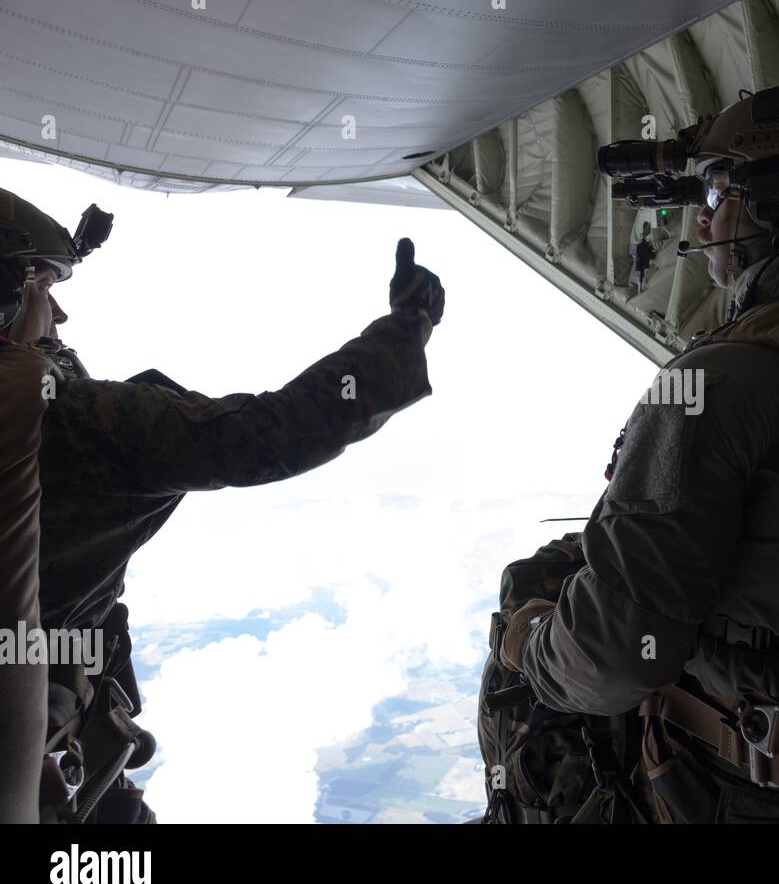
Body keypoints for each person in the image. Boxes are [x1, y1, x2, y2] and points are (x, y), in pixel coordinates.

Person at [497, 83, 779, 822]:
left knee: (528, 601)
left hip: (768, 788)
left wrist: (527, 644)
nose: (704, 214)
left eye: (720, 188)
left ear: (774, 203)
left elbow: (611, 657)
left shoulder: (716, 382)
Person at [0, 187, 445, 822]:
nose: (61, 314)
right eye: (44, 284)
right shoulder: (55, 421)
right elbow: (271, 432)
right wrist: (409, 327)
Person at [632, 222, 656, 293]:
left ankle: (640, 288)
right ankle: (640, 288)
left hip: (640, 264)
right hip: (641, 264)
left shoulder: (639, 245)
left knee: (640, 275)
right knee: (640, 275)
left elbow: (633, 253)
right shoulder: (645, 245)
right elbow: (652, 256)